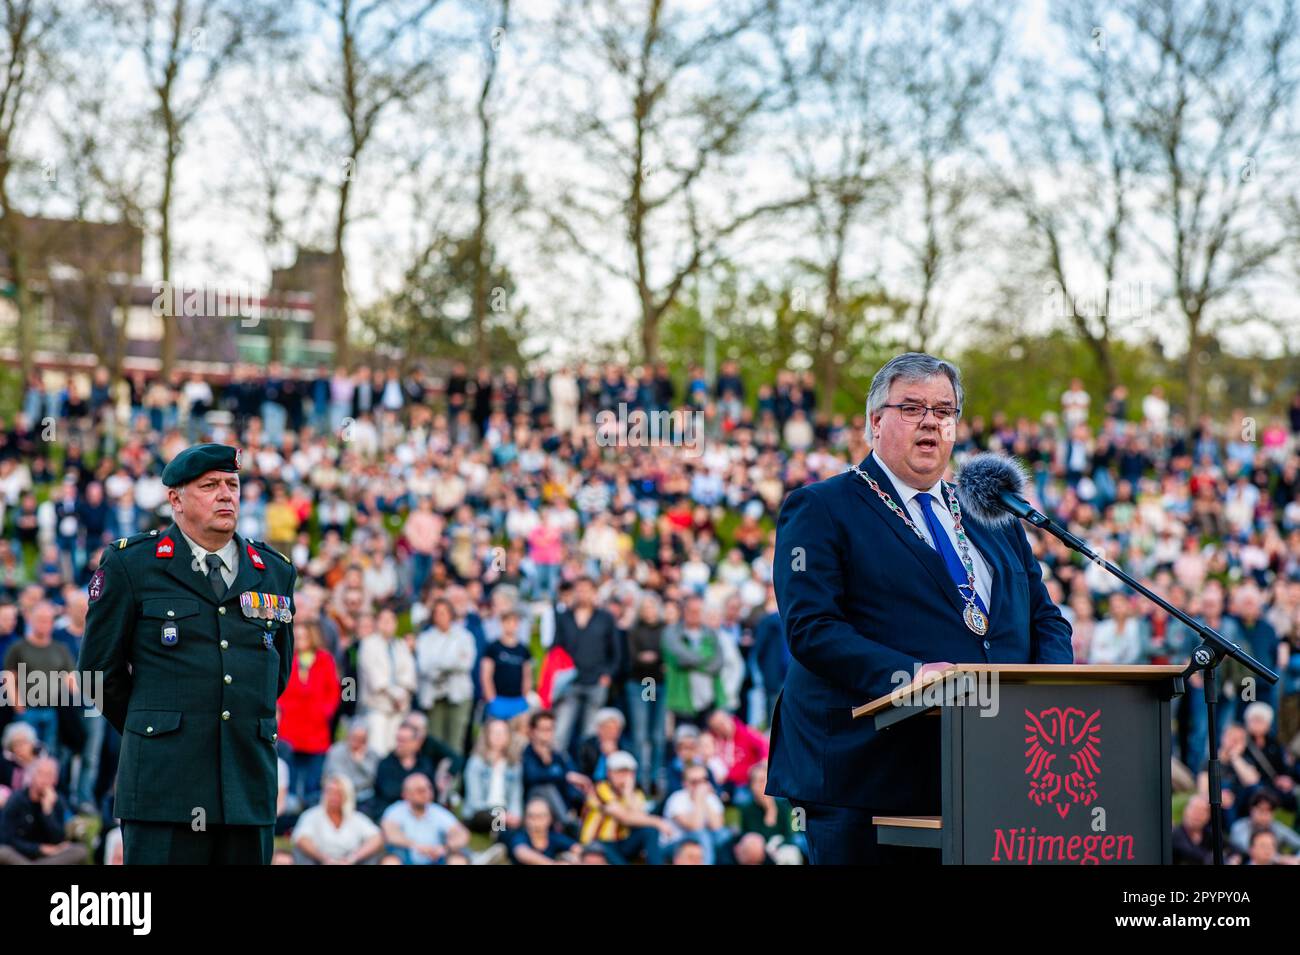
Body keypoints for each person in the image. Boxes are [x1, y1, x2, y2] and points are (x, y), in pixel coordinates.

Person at [769, 353, 1074, 863]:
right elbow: (811, 628)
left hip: (987, 766)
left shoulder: (991, 513)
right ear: (875, 422)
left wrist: (1049, 686)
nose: (931, 421)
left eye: (943, 409)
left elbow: (1044, 616)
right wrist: (908, 675)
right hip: (867, 775)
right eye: (911, 408)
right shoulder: (822, 508)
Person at [78, 443, 297, 864]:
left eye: (232, 484)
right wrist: (154, 727)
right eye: (209, 485)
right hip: (164, 789)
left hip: (245, 788)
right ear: (175, 499)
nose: (225, 494)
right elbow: (98, 670)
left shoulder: (274, 571)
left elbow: (277, 673)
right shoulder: (133, 565)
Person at [278, 618, 341, 813]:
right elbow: (278, 686)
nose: (301, 639)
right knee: (291, 776)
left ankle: (311, 811)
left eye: (305, 635)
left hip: (316, 727)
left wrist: (326, 711)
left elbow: (334, 690)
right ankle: (290, 817)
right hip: (290, 727)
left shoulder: (324, 659)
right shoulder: (287, 657)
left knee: (313, 779)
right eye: (298, 635)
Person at [578, 750, 670, 864]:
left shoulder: (636, 794)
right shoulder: (601, 789)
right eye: (619, 772)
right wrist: (658, 821)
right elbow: (624, 817)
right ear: (609, 773)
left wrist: (628, 794)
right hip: (596, 843)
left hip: (620, 843)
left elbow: (640, 820)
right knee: (651, 826)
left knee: (649, 831)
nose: (624, 776)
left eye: (628, 772)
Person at [416, 597, 476, 754]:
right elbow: (423, 666)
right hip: (434, 694)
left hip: (458, 694)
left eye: (444, 612)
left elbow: (465, 663)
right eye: (437, 613)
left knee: (455, 743)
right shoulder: (425, 638)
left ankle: (453, 778)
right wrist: (450, 662)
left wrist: (439, 663)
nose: (441, 616)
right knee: (435, 741)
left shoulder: (464, 636)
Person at [0, 756, 87, 864]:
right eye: (41, 774)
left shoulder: (58, 801)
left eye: (50, 775)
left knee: (80, 851)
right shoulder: (17, 800)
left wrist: (47, 812)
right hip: (21, 855)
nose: (46, 780)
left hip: (48, 858)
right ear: (32, 776)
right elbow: (7, 838)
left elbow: (59, 839)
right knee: (3, 852)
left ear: (55, 780)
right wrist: (38, 848)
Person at [291, 774, 385, 865]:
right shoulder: (311, 815)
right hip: (319, 860)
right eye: (330, 792)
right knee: (300, 852)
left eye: (338, 793)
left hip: (350, 861)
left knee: (374, 854)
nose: (333, 797)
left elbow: (377, 838)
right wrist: (325, 859)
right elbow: (301, 839)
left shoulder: (356, 818)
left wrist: (353, 858)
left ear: (347, 795)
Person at [380, 772, 470, 865]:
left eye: (428, 788)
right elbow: (390, 834)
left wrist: (445, 848)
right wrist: (416, 846)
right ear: (406, 795)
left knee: (458, 861)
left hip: (436, 859)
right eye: (420, 790)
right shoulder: (395, 810)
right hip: (405, 858)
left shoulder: (438, 812)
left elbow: (462, 834)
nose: (426, 793)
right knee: (390, 862)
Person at [660, 762, 731, 865]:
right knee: (702, 835)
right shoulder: (677, 798)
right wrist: (699, 799)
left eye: (704, 780)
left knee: (724, 835)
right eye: (695, 782)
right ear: (685, 783)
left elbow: (717, 826)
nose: (700, 785)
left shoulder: (711, 798)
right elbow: (695, 826)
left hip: (703, 842)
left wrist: (705, 800)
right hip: (675, 844)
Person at [460, 718, 523, 833]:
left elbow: (516, 796)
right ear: (487, 735)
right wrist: (499, 817)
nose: (499, 736)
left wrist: (514, 815)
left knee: (524, 820)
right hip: (481, 811)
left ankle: (500, 831)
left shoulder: (514, 765)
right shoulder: (476, 762)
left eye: (503, 732)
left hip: (504, 810)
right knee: (486, 819)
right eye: (495, 732)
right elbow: (475, 801)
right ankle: (499, 831)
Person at [480, 608, 532, 722]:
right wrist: (491, 699)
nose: (511, 625)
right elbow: (486, 675)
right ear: (502, 623)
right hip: (498, 700)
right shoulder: (493, 647)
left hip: (517, 701)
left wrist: (524, 697)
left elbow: (527, 675)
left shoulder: (523, 649)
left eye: (514, 622)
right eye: (508, 622)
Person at [503, 797, 579, 864]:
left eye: (540, 817)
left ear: (550, 818)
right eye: (531, 816)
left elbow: (577, 848)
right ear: (525, 818)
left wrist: (572, 858)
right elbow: (522, 852)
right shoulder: (520, 836)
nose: (536, 822)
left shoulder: (554, 837)